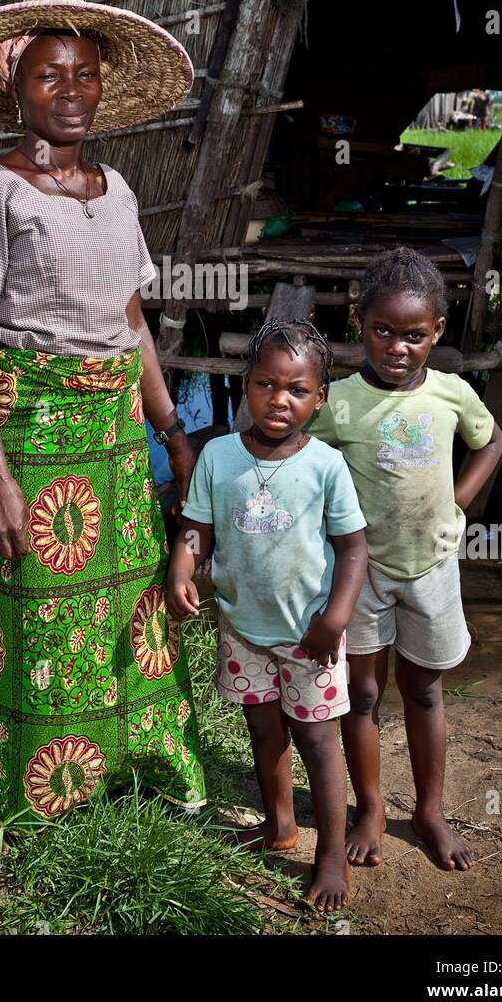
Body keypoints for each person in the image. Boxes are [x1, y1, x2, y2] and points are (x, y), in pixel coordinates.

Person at [0, 0, 206, 824]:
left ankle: (137, 768)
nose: (71, 90)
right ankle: (43, 796)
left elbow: (130, 319)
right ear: (17, 88)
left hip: (118, 434)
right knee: (42, 618)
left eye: (83, 73)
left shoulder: (115, 191)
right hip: (35, 433)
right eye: (50, 75)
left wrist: (171, 429)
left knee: (134, 609)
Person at [307, 248, 502, 871]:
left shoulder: (452, 393)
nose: (397, 347)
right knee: (361, 694)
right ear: (358, 324)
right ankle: (369, 808)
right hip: (361, 573)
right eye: (382, 331)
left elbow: (490, 439)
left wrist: (460, 499)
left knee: (424, 691)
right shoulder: (337, 401)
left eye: (414, 335)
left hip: (432, 566)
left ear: (437, 333)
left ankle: (428, 811)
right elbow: (299, 458)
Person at [166, 320, 368, 912]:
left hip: (311, 635)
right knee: (262, 728)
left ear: (319, 398)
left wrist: (335, 618)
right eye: (265, 384)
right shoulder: (218, 457)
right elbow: (195, 529)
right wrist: (183, 570)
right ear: (248, 385)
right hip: (242, 628)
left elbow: (354, 547)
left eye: (297, 390)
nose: (279, 400)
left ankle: (330, 854)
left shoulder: (327, 465)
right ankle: (279, 822)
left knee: (317, 739)